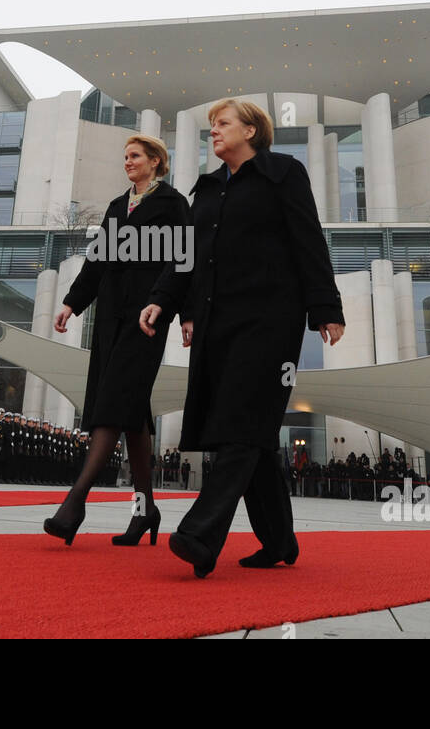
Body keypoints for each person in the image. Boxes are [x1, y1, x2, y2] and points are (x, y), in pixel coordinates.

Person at [140, 99, 345, 577]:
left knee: (243, 420)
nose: (213, 131)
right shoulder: (208, 189)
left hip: (270, 320)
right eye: (211, 125)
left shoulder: (283, 173)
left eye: (223, 123)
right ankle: (279, 541)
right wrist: (163, 299)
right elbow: (185, 256)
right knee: (249, 429)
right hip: (218, 322)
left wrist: (326, 306)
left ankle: (199, 533)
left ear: (251, 129)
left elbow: (307, 238)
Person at [43, 133, 192, 547]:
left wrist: (187, 314)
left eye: (135, 156)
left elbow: (185, 259)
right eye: (125, 157)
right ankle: (147, 510)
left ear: (155, 161)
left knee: (112, 403)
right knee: (131, 411)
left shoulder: (173, 203)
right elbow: (97, 262)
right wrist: (73, 304)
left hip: (148, 317)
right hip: (111, 316)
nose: (127, 162)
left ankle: (75, 503)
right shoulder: (115, 207)